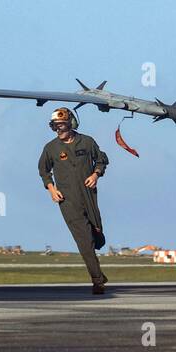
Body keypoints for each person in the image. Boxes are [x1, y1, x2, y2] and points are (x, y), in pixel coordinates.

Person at [38, 107, 110, 294]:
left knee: (97, 236)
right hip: (68, 200)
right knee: (84, 240)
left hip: (89, 196)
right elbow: (43, 171)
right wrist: (51, 189)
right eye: (55, 126)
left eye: (61, 125)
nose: (59, 130)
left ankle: (98, 272)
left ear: (71, 124)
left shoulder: (87, 142)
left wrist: (96, 174)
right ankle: (97, 281)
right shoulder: (51, 148)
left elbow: (102, 159)